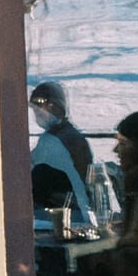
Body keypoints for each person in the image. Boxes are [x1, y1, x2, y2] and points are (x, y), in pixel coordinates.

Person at [28, 82, 98, 229]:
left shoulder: (62, 140)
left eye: (40, 110)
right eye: (35, 111)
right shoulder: (57, 136)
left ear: (55, 107)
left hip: (67, 216)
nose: (37, 115)